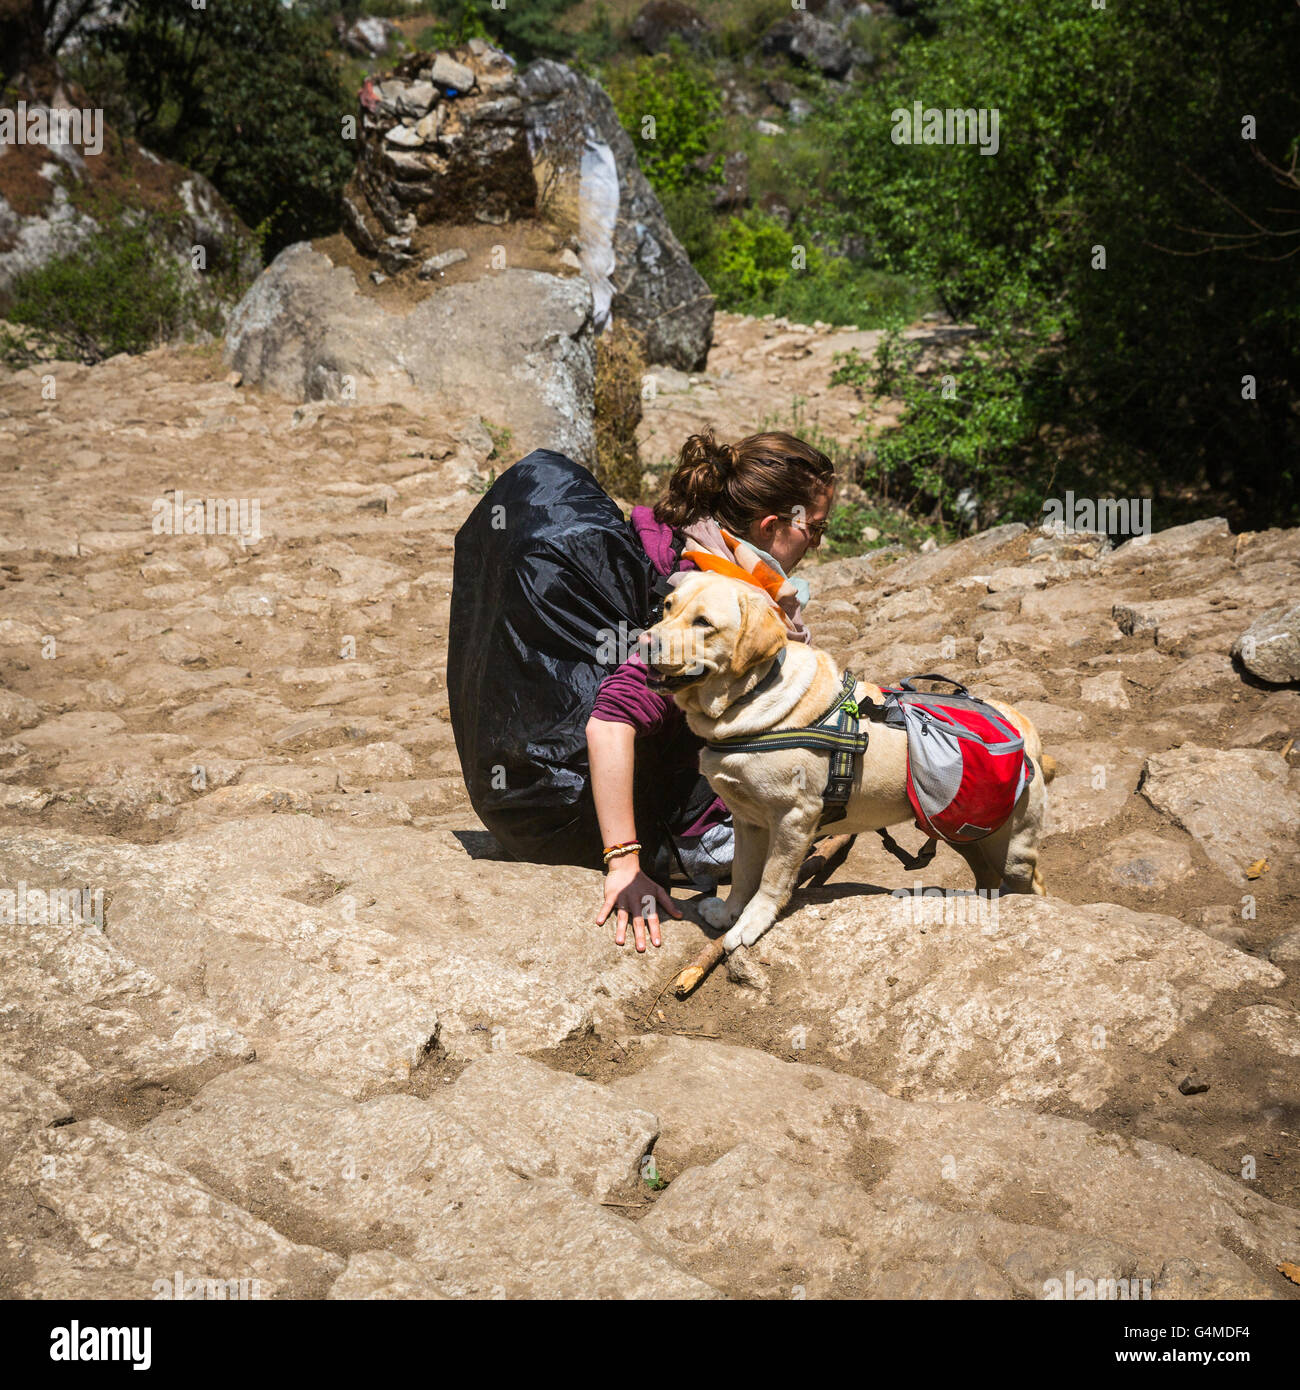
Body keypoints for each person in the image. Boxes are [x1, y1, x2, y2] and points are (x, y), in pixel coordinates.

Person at [588, 427, 835, 953]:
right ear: (772, 526)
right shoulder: (709, 596)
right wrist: (625, 864)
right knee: (826, 811)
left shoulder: (690, 548)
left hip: (687, 786)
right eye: (816, 528)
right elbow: (611, 716)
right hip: (692, 828)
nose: (818, 542)